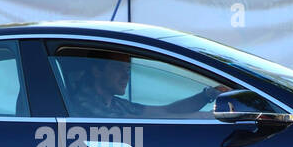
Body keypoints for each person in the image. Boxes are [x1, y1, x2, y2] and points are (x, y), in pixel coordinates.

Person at [62, 51, 229, 118]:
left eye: (128, 70)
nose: (125, 76)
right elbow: (140, 123)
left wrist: (207, 94)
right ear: (97, 71)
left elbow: (166, 111)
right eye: (119, 68)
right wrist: (208, 117)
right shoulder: (82, 104)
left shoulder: (116, 103)